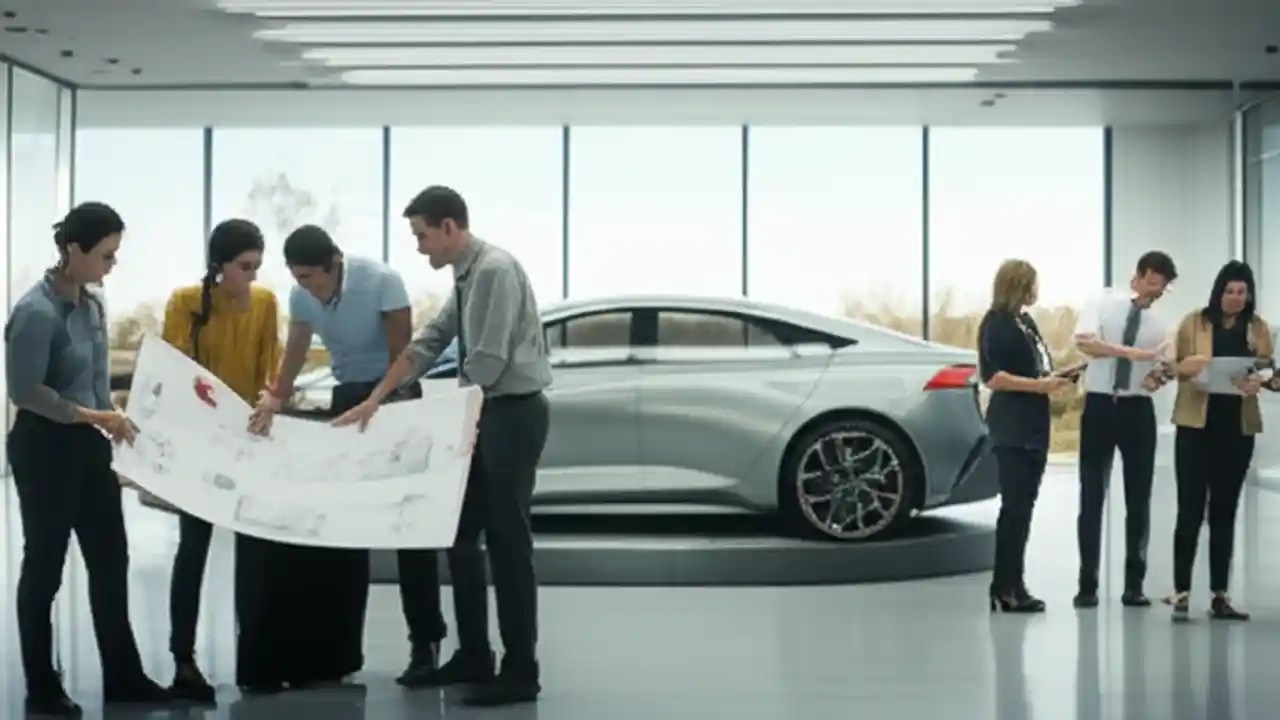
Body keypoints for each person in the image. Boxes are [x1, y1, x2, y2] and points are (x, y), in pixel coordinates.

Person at [333, 185, 552, 707]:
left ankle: (521, 670)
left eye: (421, 235)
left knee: (506, 541)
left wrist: (451, 419)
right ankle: (474, 655)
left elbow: (487, 361)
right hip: (485, 409)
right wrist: (377, 400)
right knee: (459, 534)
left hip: (511, 413)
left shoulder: (495, 270)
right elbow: (431, 340)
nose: (419, 247)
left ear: (449, 227)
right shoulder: (466, 272)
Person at [247, 225, 446, 687]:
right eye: (298, 279)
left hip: (393, 399)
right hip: (345, 400)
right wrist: (276, 398)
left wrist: (380, 403)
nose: (307, 288)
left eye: (313, 278)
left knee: (408, 529)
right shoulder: (301, 298)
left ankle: (425, 645)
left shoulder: (382, 282)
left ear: (335, 264)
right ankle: (336, 651)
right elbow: (294, 354)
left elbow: (402, 355)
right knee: (342, 531)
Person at [4, 202, 171, 716]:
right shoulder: (34, 313)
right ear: (72, 250)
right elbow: (26, 391)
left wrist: (112, 420)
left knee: (110, 560)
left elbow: (96, 383)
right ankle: (42, 684)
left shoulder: (94, 306)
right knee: (45, 568)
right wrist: (94, 418)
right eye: (105, 255)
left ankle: (124, 675)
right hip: (43, 445)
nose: (111, 265)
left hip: (88, 444)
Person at [158, 219, 280, 702]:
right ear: (219, 265)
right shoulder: (185, 302)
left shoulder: (267, 303)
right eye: (243, 267)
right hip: (200, 442)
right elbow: (175, 369)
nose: (251, 276)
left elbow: (269, 368)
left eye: (256, 267)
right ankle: (183, 659)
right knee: (193, 549)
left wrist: (268, 405)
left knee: (255, 552)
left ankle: (256, 657)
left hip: (247, 440)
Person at [1166, 260, 1276, 622]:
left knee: (1225, 511)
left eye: (1242, 292)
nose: (1235, 298)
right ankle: (1181, 591)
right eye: (1229, 291)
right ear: (1219, 291)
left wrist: (1261, 380)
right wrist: (1191, 368)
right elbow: (1171, 367)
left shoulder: (1258, 327)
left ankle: (1220, 595)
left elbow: (1271, 371)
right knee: (1190, 509)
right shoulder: (1193, 321)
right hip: (1196, 426)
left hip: (1237, 427)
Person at [1072, 250, 1178, 609]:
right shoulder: (1102, 302)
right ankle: (1087, 584)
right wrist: (1135, 355)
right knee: (1091, 496)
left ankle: (1134, 585)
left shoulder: (1159, 325)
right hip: (1100, 404)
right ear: (1138, 275)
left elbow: (1157, 373)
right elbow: (1086, 343)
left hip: (1137, 410)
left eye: (1161, 290)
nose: (1154, 295)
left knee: (1139, 499)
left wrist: (1159, 375)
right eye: (1152, 284)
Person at [977, 260, 1075, 613]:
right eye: (1033, 283)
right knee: (1014, 509)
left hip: (1034, 423)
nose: (1037, 290)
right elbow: (995, 378)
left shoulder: (1025, 322)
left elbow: (1032, 369)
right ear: (1019, 285)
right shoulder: (997, 324)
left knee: (1025, 509)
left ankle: (1015, 584)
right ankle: (1004, 587)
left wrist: (1055, 377)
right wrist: (1040, 385)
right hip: (1012, 425)